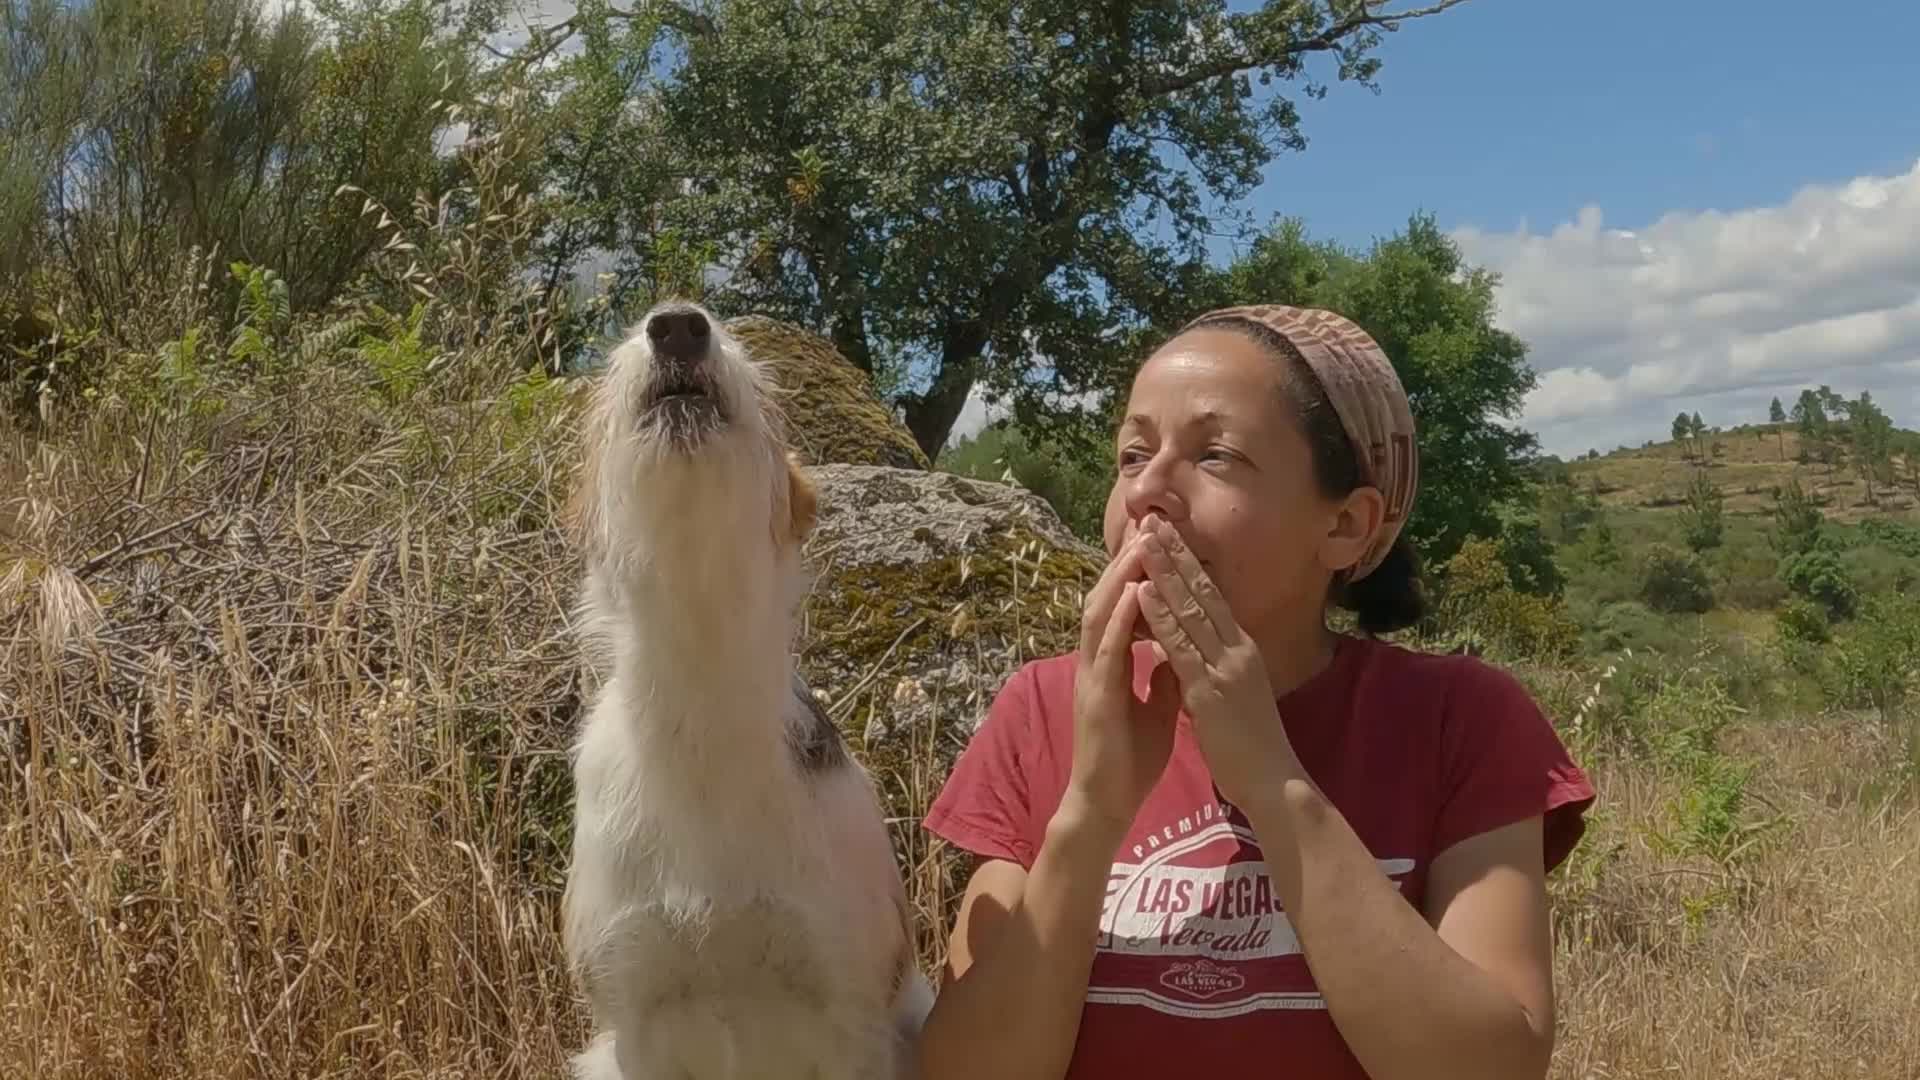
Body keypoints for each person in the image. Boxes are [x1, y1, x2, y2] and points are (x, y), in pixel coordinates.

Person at [914, 305, 1596, 1080]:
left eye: (1216, 457)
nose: (1149, 493)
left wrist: (1272, 782)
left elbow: (1490, 1069)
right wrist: (1092, 813)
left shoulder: (1459, 720)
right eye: (1133, 455)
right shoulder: (1041, 708)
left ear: (1345, 525)